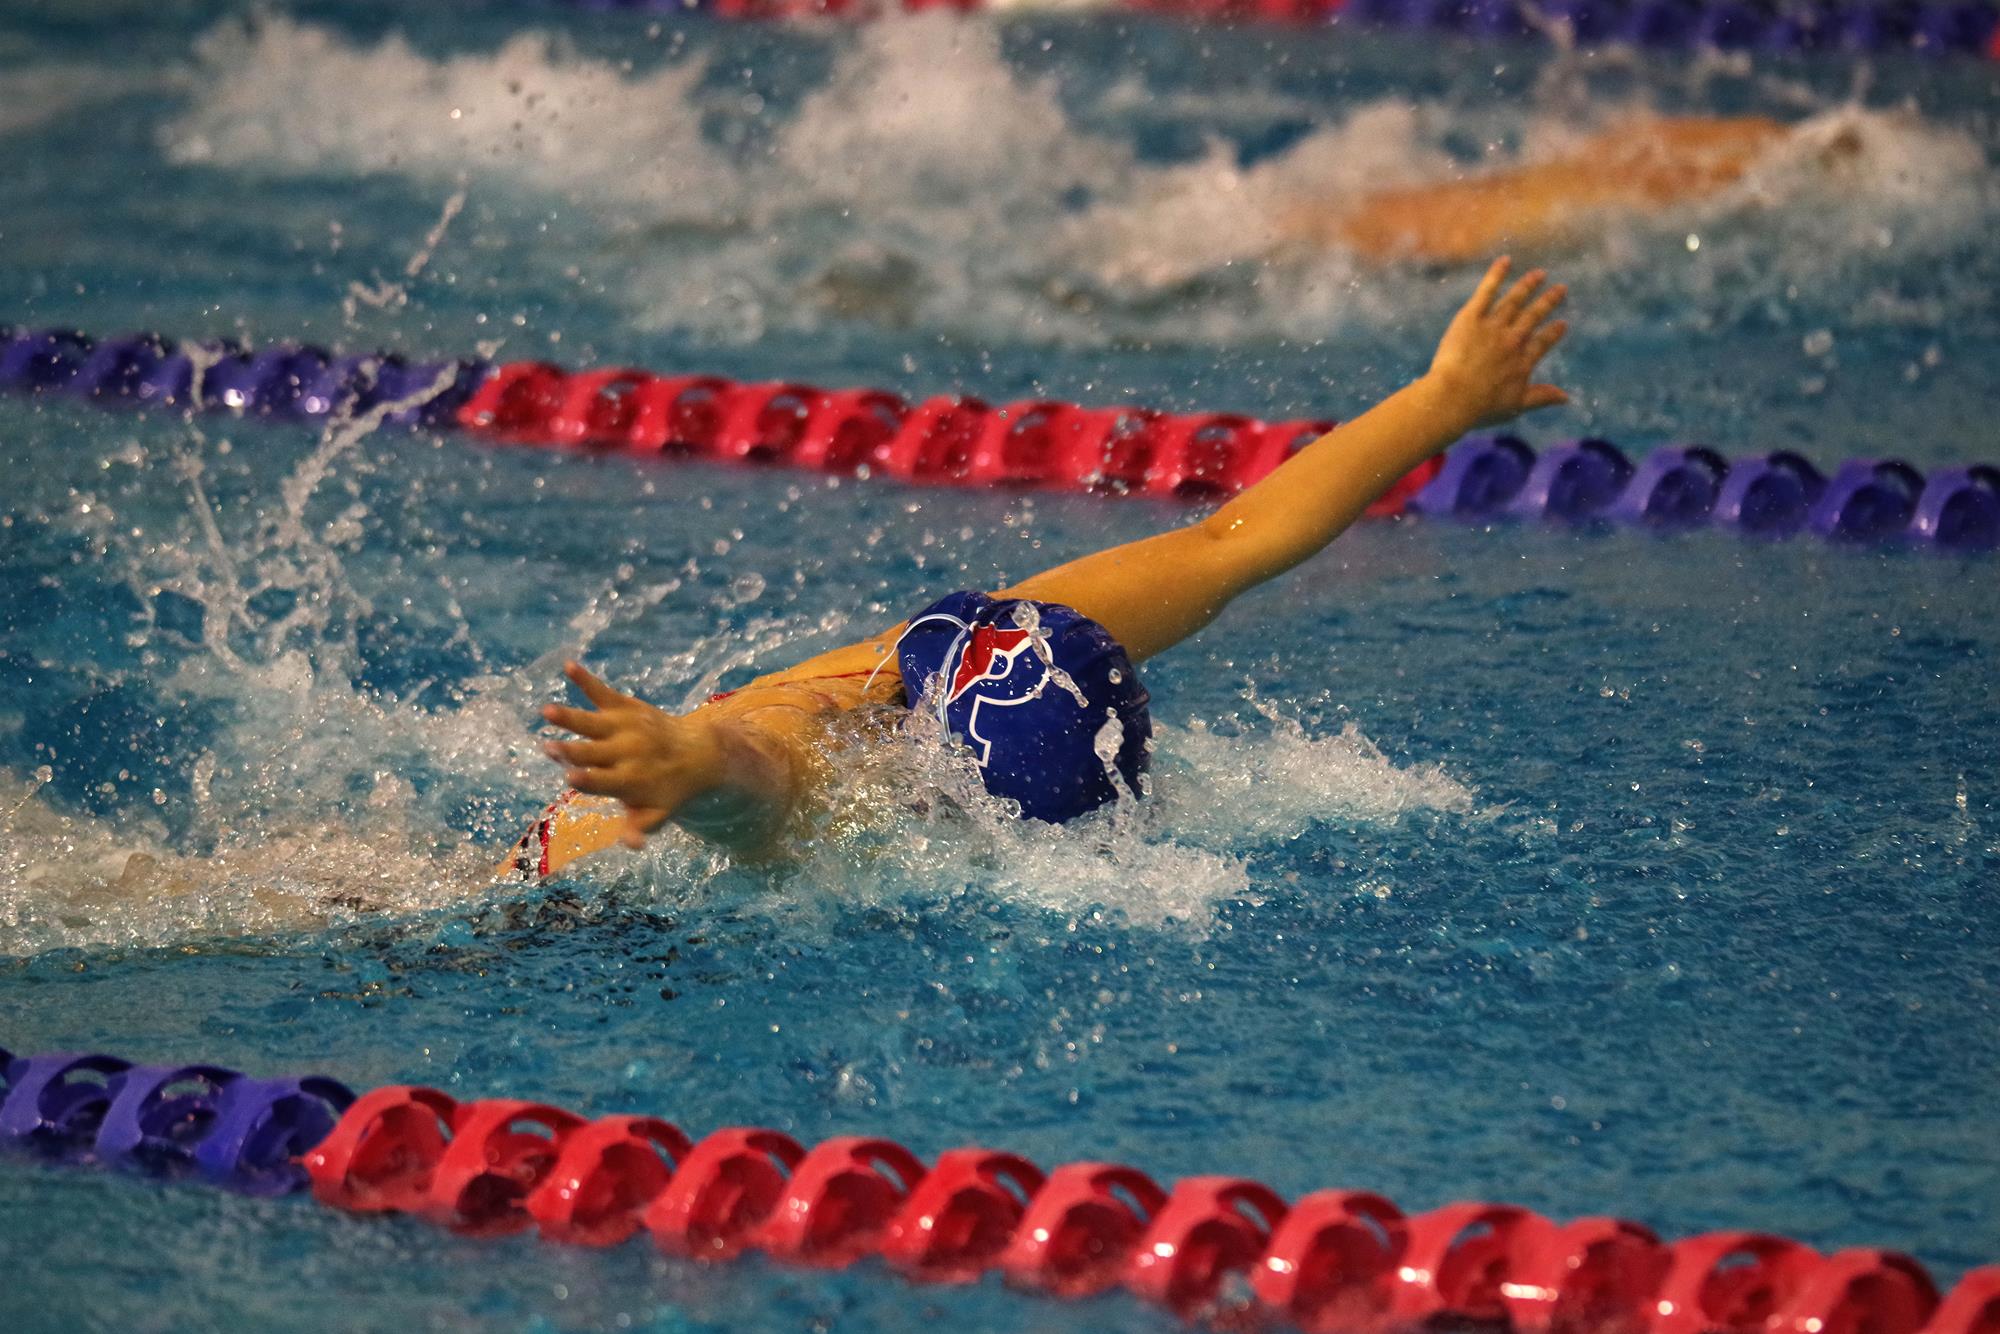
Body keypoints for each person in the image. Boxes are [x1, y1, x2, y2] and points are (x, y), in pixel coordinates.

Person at [506, 257, 1569, 879]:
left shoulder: (901, 695)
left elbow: (1227, 543)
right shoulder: (880, 753)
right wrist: (690, 761)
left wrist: (1440, 400)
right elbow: (1227, 544)